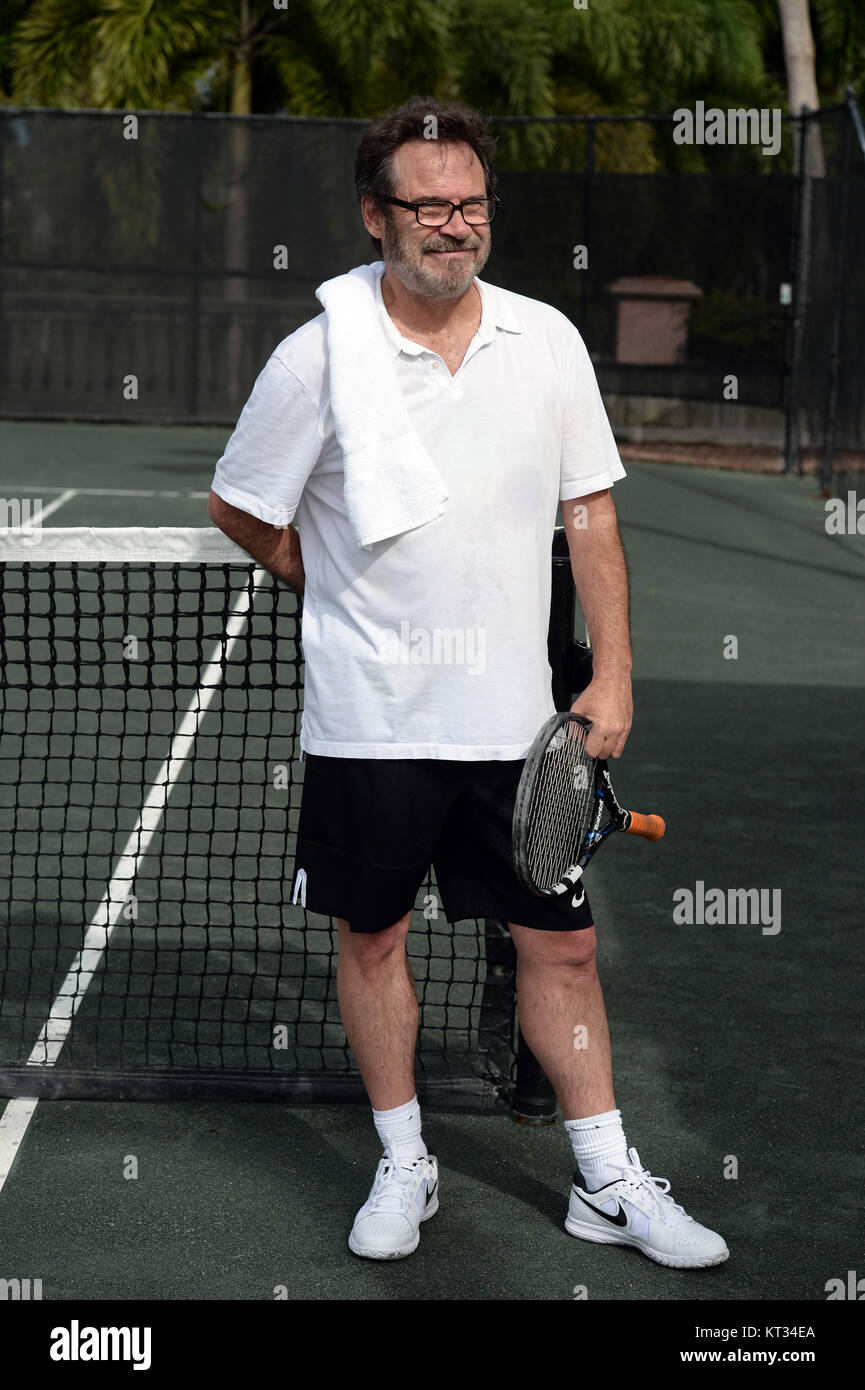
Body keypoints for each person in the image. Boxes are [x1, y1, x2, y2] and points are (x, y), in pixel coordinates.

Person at [208, 95, 728, 1271]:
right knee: (374, 934)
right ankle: (406, 1160)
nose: (453, 225)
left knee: (563, 947)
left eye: (470, 203)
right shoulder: (316, 358)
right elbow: (240, 503)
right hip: (372, 719)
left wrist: (616, 676)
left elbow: (587, 511)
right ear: (374, 215)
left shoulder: (545, 339)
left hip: (523, 723)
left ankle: (605, 1178)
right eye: (428, 205)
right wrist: (329, 584)